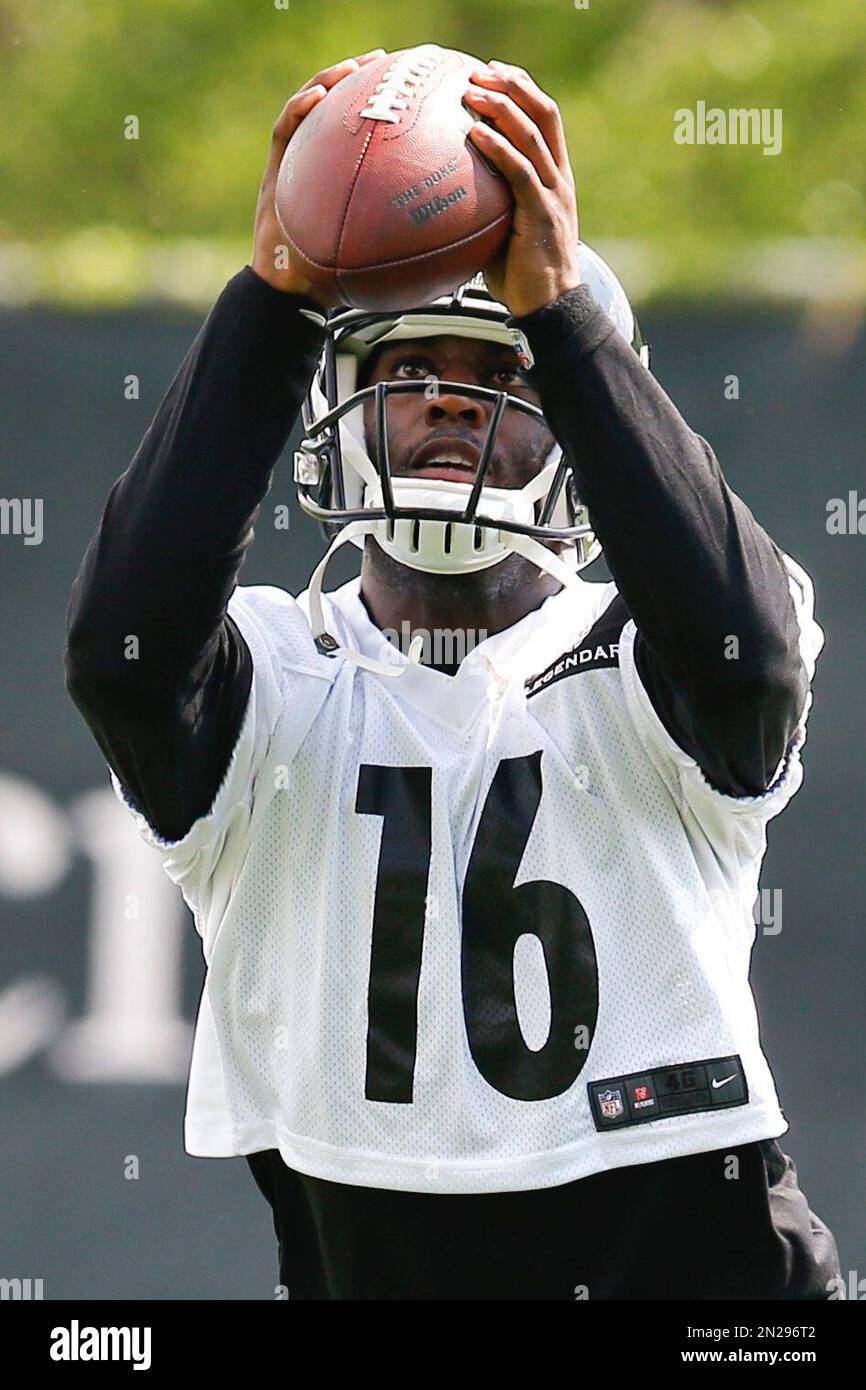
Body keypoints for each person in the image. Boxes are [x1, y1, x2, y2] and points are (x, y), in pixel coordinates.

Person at [65, 49, 841, 1300]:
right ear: (338, 403)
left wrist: (562, 314)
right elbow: (122, 650)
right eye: (407, 368)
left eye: (505, 380)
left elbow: (740, 654)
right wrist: (271, 296)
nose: (450, 405)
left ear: (579, 422)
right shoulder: (269, 678)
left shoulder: (646, 659)